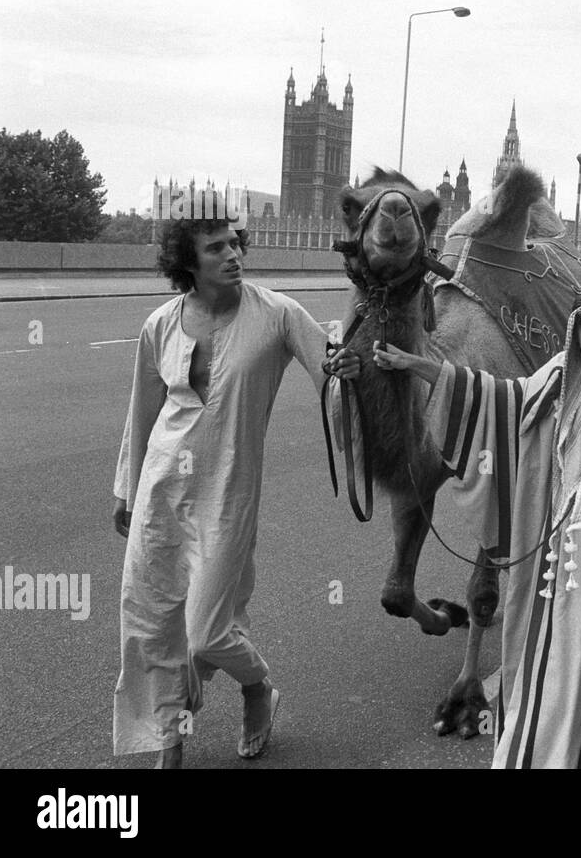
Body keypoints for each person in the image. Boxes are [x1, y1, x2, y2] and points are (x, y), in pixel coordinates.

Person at [374, 284, 581, 768]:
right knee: (544, 679)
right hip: (555, 575)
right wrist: (420, 368)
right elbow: (485, 401)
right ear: (574, 331)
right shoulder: (548, 387)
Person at [113, 202, 359, 768]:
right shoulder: (160, 325)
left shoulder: (277, 314)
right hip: (160, 492)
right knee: (155, 625)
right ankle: (169, 749)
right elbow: (142, 412)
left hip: (229, 493)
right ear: (188, 264)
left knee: (204, 632)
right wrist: (126, 488)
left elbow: (334, 380)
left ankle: (257, 687)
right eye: (216, 248)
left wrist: (350, 373)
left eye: (234, 243)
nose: (233, 255)